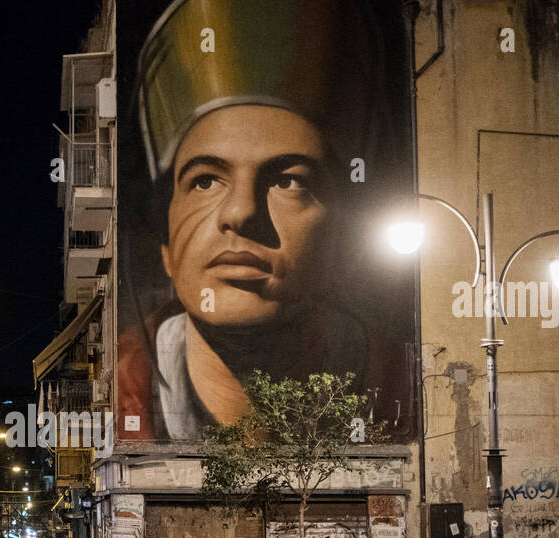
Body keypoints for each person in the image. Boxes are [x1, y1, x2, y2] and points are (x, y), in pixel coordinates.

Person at [117, 0, 410, 441]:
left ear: (346, 245)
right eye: (204, 181)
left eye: (290, 182)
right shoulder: (124, 396)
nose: (240, 212)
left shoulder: (403, 391)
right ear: (166, 250)